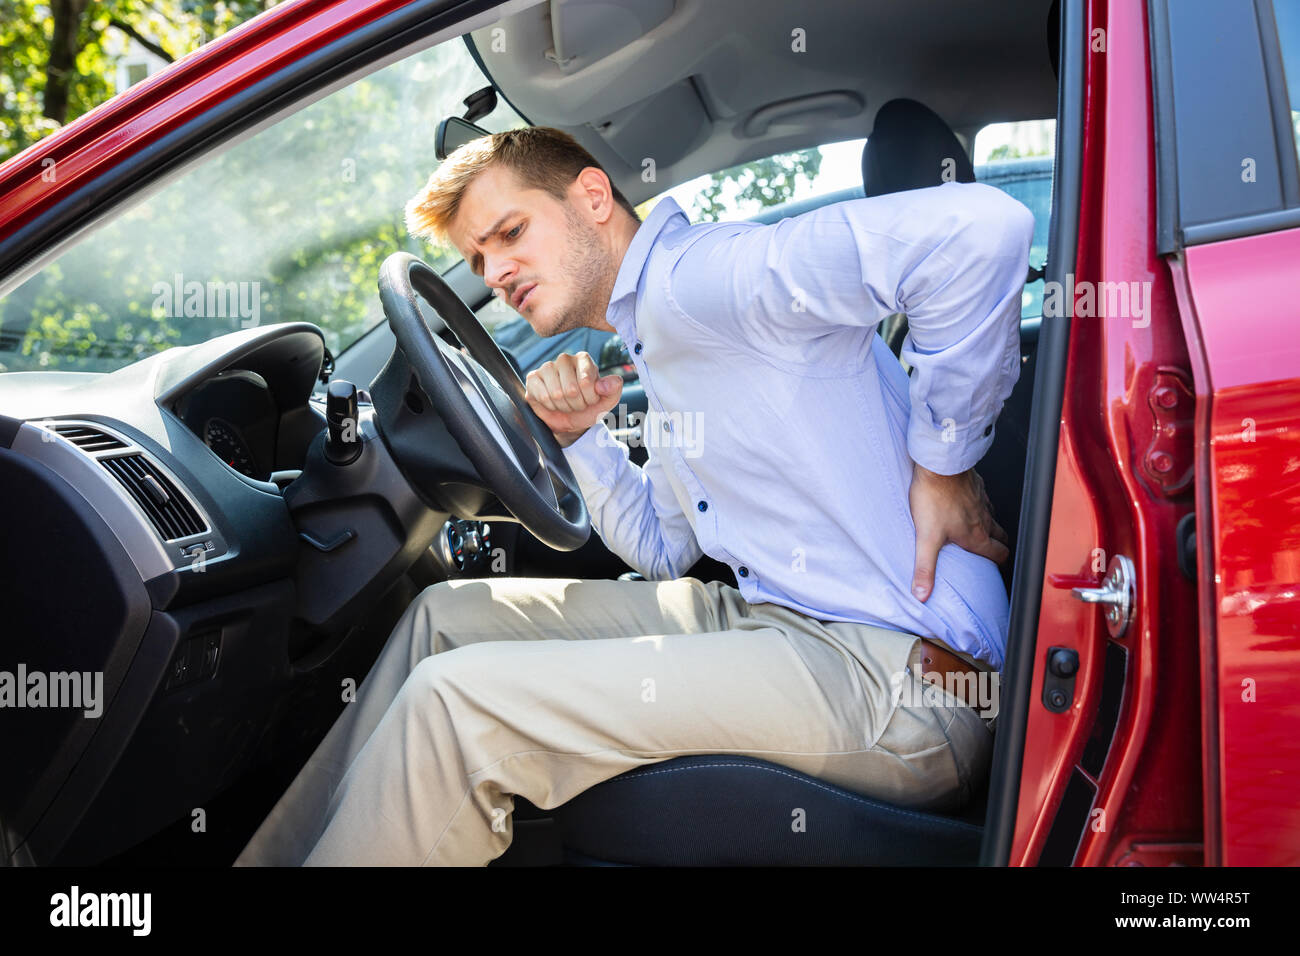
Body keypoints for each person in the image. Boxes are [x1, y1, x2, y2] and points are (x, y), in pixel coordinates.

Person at [234, 126, 1034, 866]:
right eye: (477, 262)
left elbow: (981, 232)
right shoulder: (658, 335)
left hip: (915, 680)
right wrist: (585, 438)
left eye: (509, 234)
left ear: (591, 197)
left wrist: (945, 462)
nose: (496, 274)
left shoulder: (709, 280)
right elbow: (664, 552)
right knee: (441, 623)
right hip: (789, 617)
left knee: (457, 707)